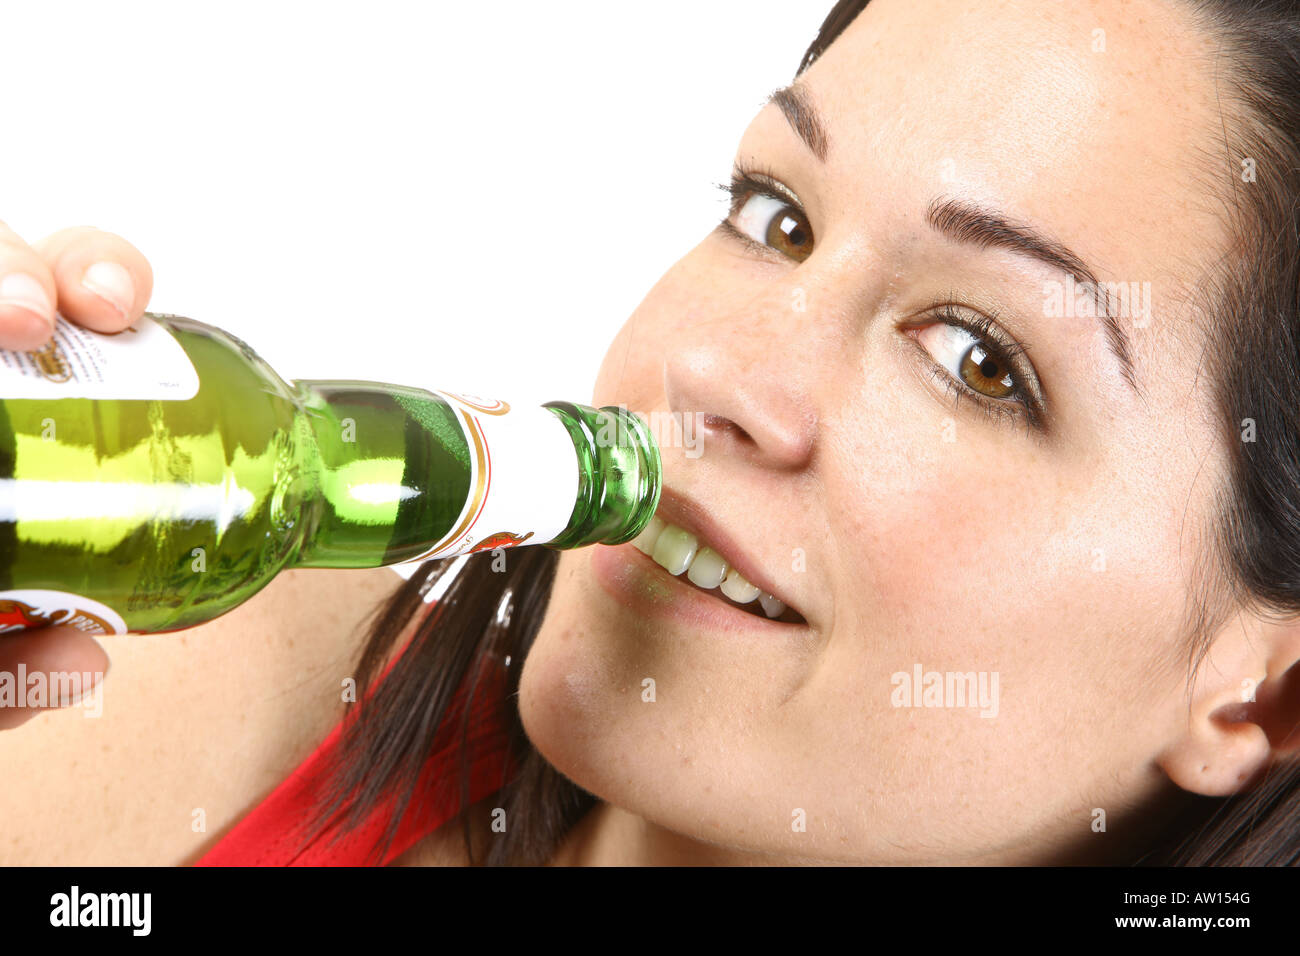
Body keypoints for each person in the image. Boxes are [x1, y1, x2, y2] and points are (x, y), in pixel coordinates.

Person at [4, 0, 1300, 866]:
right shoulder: (197, 682)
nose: (713, 367)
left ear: (1268, 692)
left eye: (978, 359)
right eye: (775, 216)